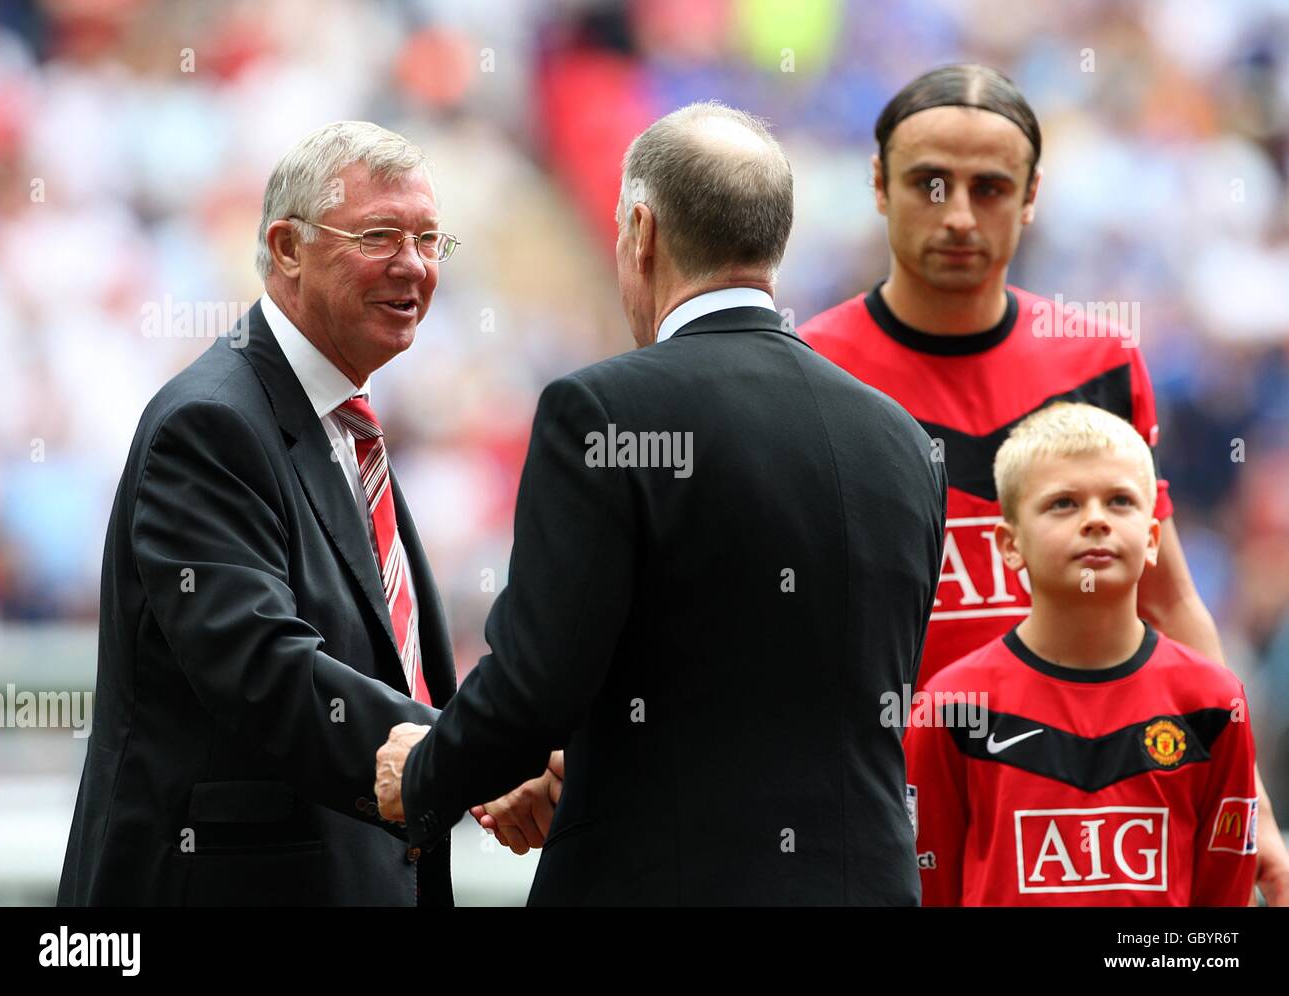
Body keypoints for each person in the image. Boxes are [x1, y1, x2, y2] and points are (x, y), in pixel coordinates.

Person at [374, 102, 948, 905]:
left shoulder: (602, 412)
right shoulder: (903, 440)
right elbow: (820, 691)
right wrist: (593, 760)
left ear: (640, 231)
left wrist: (425, 775)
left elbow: (535, 685)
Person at [799, 63, 1287, 904]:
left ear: (1031, 199)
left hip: (1073, 817)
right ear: (878, 186)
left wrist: (1257, 815)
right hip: (871, 813)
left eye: (990, 188)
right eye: (929, 183)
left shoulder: (1096, 362)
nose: (958, 215)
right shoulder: (809, 374)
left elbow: (1166, 598)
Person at [58, 120, 554, 906]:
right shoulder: (211, 424)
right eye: (381, 234)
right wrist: (465, 760)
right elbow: (267, 672)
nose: (415, 265)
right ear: (287, 247)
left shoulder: (342, 423)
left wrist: (471, 764)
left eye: (431, 239)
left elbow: (385, 668)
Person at [905, 402, 1257, 905]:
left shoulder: (1214, 704)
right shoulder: (950, 707)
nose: (1095, 520)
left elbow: (1220, 907)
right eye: (1063, 504)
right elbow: (930, 888)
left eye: (1119, 501)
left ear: (1154, 538)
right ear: (1010, 544)